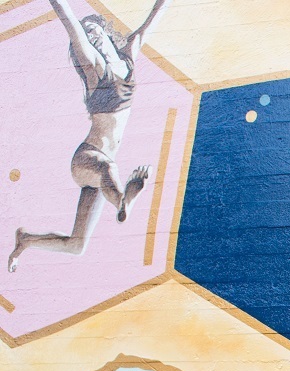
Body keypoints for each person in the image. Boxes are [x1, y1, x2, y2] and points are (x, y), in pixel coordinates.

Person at [10, 0, 171, 273]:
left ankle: (26, 240)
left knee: (77, 245)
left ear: (108, 35)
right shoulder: (96, 67)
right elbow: (69, 22)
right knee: (109, 168)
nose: (92, 38)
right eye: (88, 37)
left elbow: (153, 18)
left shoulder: (128, 56)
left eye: (95, 32)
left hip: (101, 172)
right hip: (87, 159)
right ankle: (123, 200)